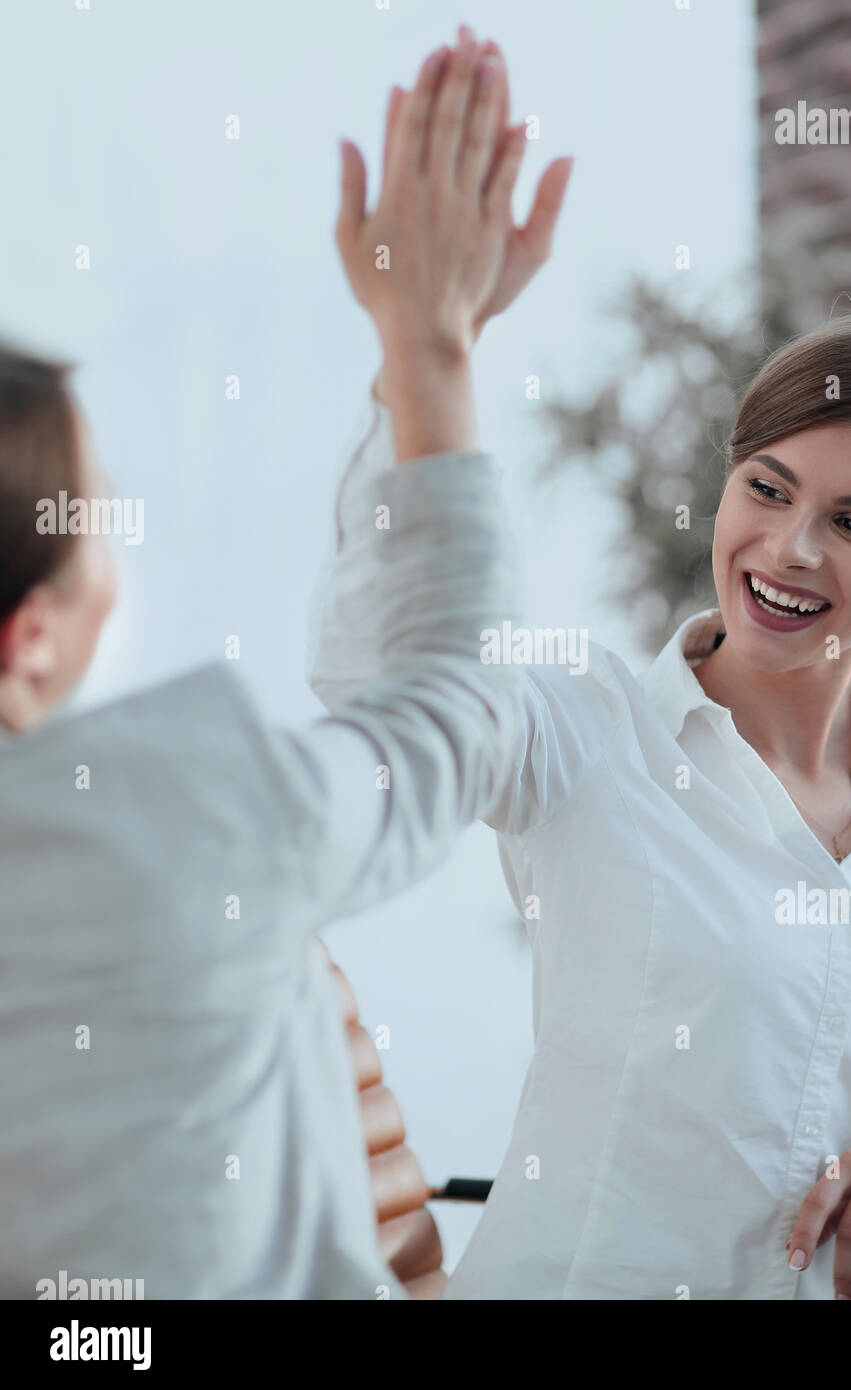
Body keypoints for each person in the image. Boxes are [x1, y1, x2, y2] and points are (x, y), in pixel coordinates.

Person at [310, 34, 851, 1302]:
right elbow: (382, 684)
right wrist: (422, 355)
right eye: (765, 489)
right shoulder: (581, 732)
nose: (787, 548)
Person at [0, 35, 538, 1299]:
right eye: (103, 517)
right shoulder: (174, 818)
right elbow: (456, 703)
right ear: (27, 636)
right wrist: (430, 343)